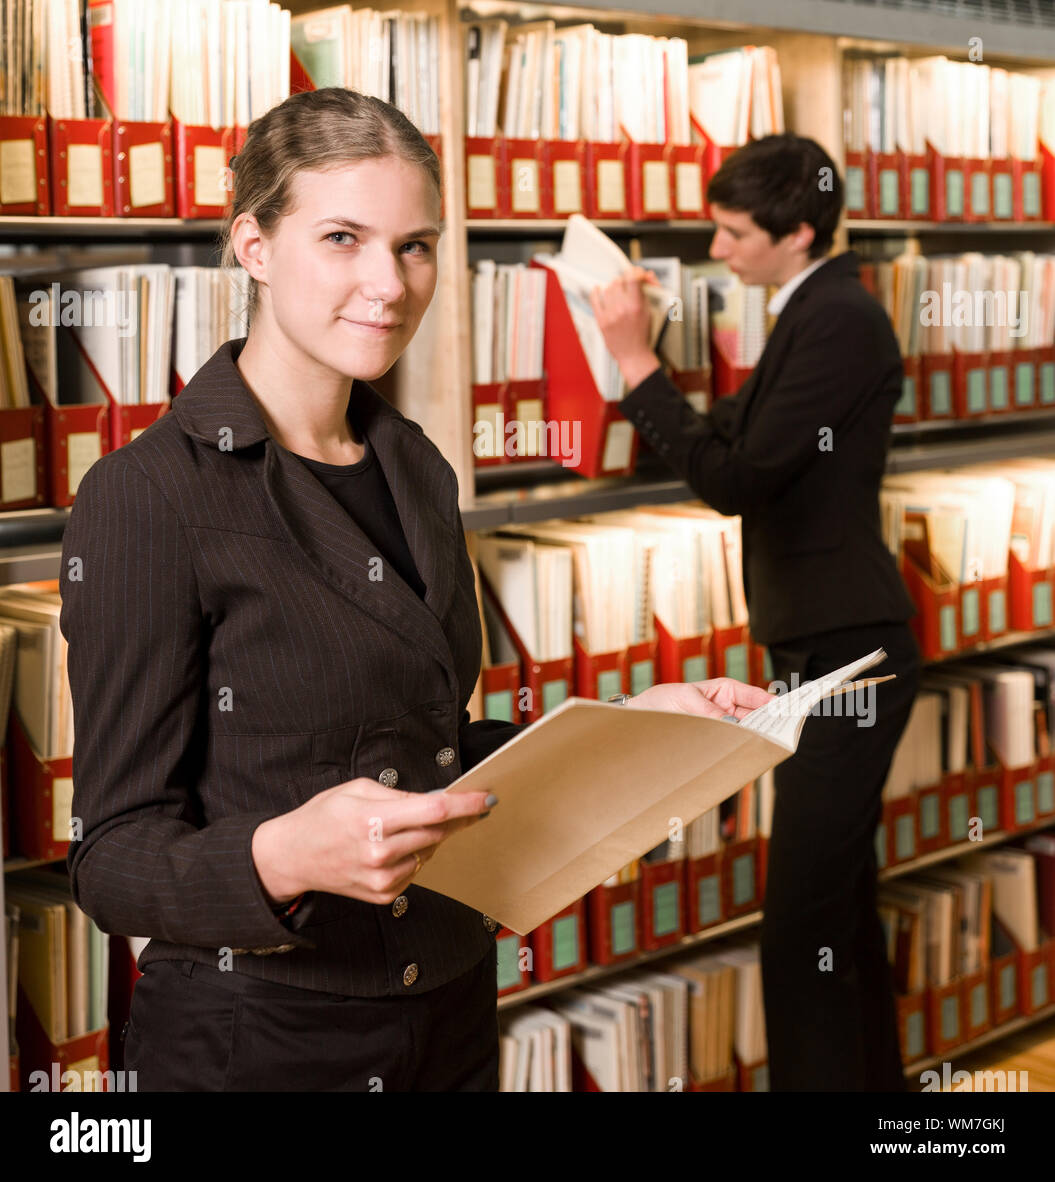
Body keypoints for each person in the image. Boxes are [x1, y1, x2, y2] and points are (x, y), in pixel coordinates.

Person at [59, 86, 770, 1093]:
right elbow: (113, 857)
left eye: (414, 245)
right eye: (342, 237)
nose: (387, 284)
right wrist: (281, 853)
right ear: (252, 246)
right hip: (260, 1038)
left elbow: (422, 754)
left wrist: (628, 730)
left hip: (447, 1007)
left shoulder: (418, 467)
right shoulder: (148, 495)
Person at [592, 132, 922, 1092]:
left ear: (799, 231)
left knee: (803, 929)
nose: (717, 249)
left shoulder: (840, 320)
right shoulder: (809, 307)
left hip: (849, 657)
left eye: (733, 232)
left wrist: (633, 365)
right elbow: (741, 432)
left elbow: (736, 478)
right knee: (840, 914)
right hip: (820, 646)